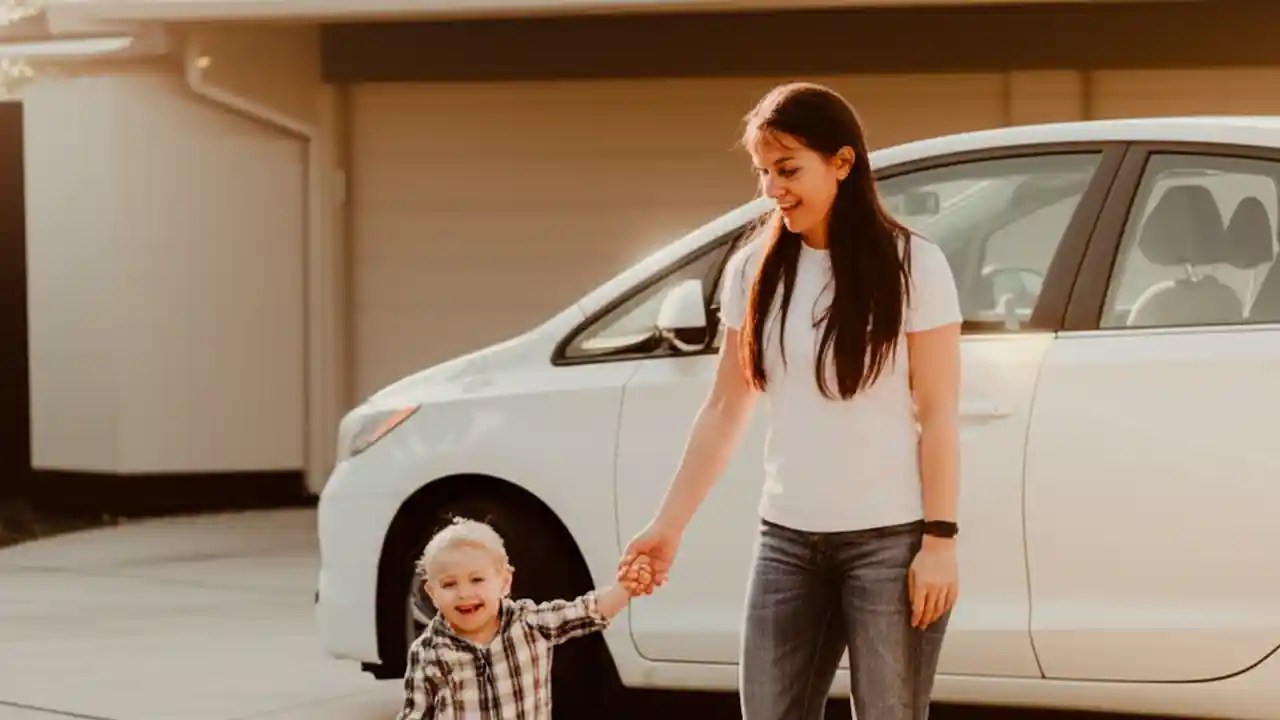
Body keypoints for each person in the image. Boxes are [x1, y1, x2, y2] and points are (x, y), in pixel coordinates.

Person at [617, 82, 962, 720]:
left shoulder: (915, 265)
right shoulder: (754, 269)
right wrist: (667, 527)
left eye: (788, 169)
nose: (773, 188)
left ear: (842, 163)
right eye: (763, 173)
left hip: (888, 545)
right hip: (787, 543)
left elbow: (938, 413)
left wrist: (939, 542)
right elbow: (725, 407)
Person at [398, 517, 652, 720]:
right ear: (431, 592)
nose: (464, 593)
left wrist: (625, 589)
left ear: (504, 581)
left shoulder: (529, 624)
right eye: (449, 584)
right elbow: (416, 712)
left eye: (477, 579)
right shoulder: (429, 651)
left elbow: (587, 612)